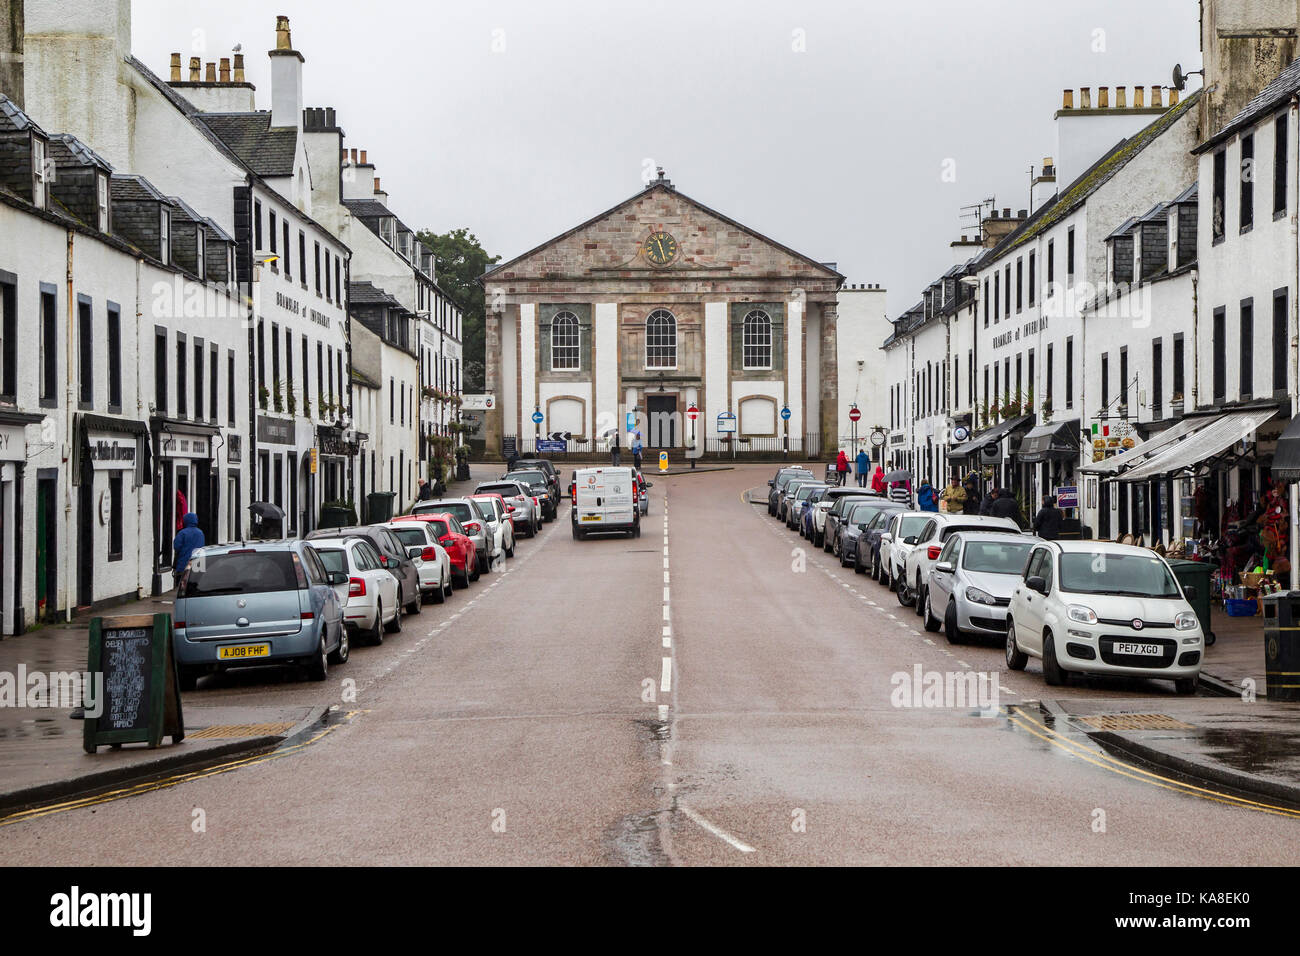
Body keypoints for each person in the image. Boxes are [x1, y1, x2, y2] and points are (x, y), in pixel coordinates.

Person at [172, 513, 204, 592]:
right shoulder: (200, 533)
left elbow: (176, 546)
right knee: (195, 585)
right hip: (198, 563)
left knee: (181, 586)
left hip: (184, 563)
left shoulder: (182, 533)